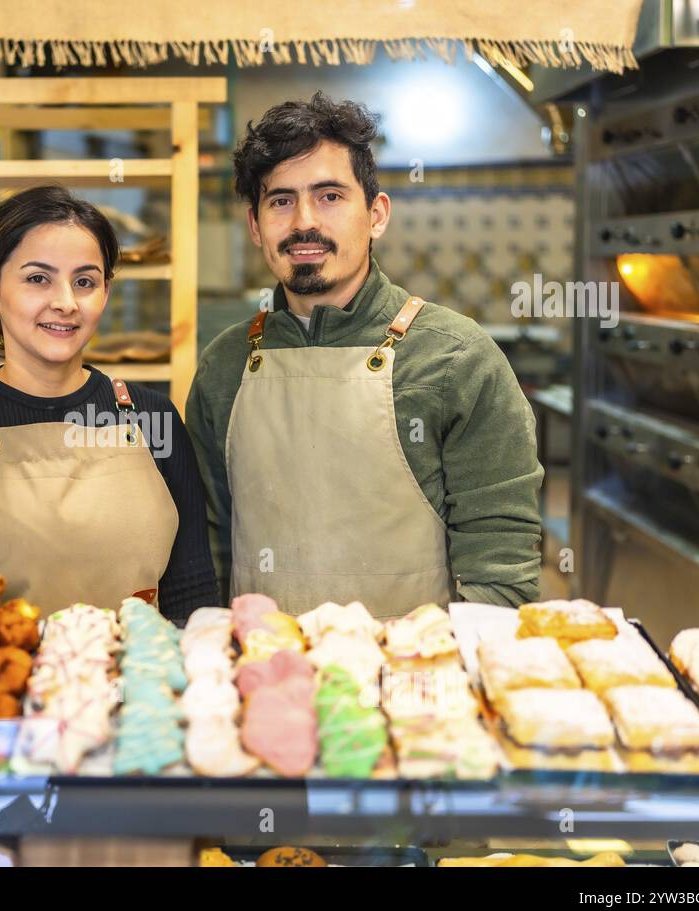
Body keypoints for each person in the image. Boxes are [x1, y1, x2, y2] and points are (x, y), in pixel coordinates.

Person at [186, 93, 543, 618]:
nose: (304, 222)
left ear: (376, 215)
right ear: (256, 226)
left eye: (329, 196)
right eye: (281, 201)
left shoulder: (457, 359)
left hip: (412, 684)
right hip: (265, 677)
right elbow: (207, 550)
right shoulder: (225, 364)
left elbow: (502, 566)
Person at [0, 184, 218, 622]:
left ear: (106, 292)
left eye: (84, 282)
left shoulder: (154, 418)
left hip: (138, 683)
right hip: (5, 686)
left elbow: (192, 594)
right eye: (38, 278)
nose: (65, 303)